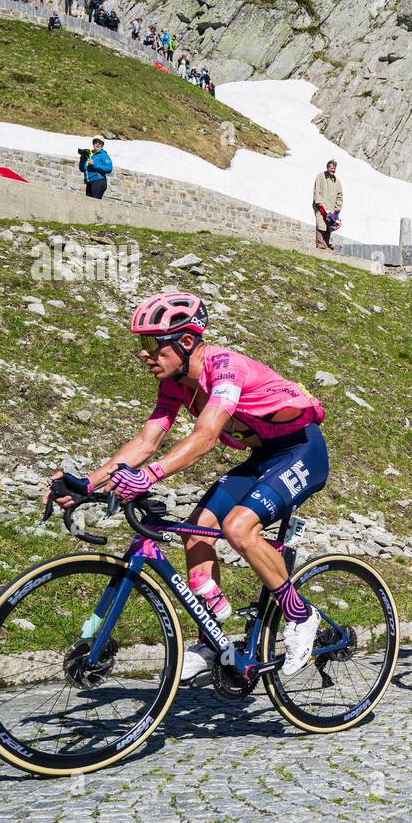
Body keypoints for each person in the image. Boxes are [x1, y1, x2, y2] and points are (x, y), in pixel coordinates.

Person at [43, 292, 329, 681]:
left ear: (187, 342)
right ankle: (211, 643)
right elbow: (145, 443)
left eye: (151, 345)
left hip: (301, 451)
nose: (144, 355)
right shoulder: (175, 385)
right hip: (263, 457)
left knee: (238, 527)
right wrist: (86, 482)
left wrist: (149, 476)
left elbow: (206, 435)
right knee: (197, 531)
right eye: (140, 345)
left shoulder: (226, 368)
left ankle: (301, 616)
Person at [313, 159, 343, 250]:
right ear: (327, 167)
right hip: (321, 205)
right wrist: (318, 201)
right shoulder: (320, 176)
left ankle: (325, 243)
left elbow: (340, 194)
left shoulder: (337, 181)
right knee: (321, 224)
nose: (333, 170)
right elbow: (317, 189)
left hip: (331, 207)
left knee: (329, 225)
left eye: (334, 168)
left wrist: (338, 205)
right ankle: (319, 243)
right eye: (331, 168)